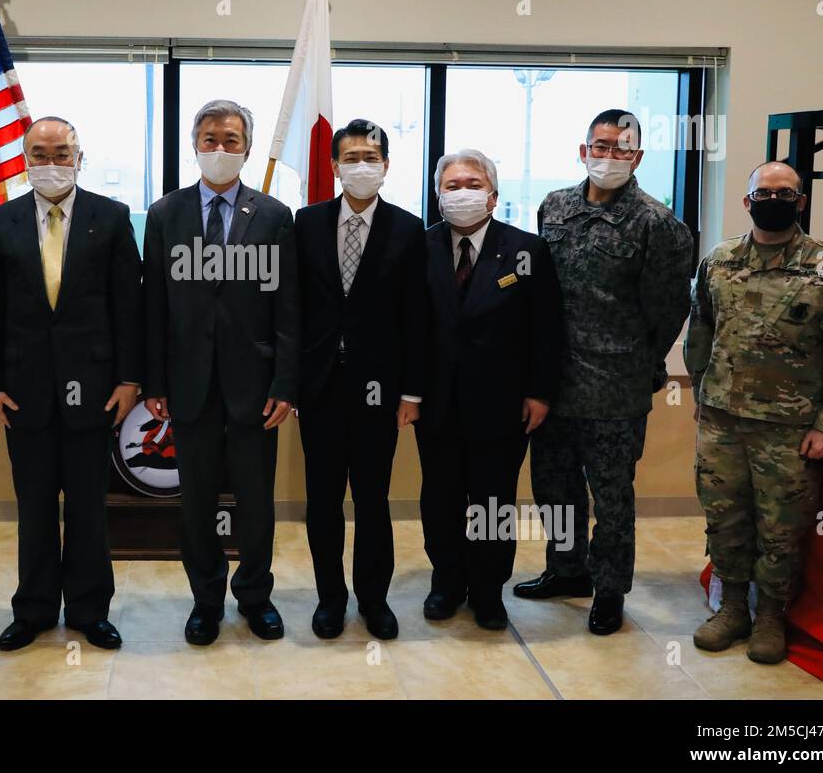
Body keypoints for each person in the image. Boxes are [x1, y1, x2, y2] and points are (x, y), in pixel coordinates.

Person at [686, 161, 823, 663]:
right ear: (747, 202)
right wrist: (703, 400)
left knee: (782, 526)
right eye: (764, 192)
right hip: (723, 421)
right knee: (724, 518)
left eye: (785, 192)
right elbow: (700, 333)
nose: (775, 199)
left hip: (790, 430)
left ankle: (771, 614)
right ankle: (731, 609)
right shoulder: (718, 261)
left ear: (801, 202)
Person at [517, 109, 693, 635]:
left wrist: (638, 363)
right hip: (553, 382)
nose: (609, 156)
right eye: (601, 145)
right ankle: (566, 569)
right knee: (554, 486)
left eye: (621, 148)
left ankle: (610, 589)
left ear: (637, 156)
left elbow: (668, 311)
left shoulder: (658, 224)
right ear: (583, 149)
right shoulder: (555, 207)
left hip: (615, 387)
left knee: (612, 496)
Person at [0, 117, 142, 652]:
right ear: (24, 159)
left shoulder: (111, 218)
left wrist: (130, 379)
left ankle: (91, 611)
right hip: (23, 393)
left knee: (90, 508)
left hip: (93, 389)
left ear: (79, 158)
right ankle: (36, 610)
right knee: (36, 507)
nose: (51, 163)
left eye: (61, 153)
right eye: (40, 153)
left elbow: (128, 307)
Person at [143, 99, 299, 644]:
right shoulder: (165, 214)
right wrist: (155, 383)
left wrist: (285, 384)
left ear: (247, 148)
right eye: (209, 138)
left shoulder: (276, 216)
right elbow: (155, 306)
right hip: (187, 384)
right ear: (194, 145)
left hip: (254, 386)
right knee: (198, 501)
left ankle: (256, 596)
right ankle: (206, 599)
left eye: (231, 140)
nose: (219, 149)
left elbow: (288, 308)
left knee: (256, 501)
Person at [416, 149, 563, 630]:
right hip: (436, 405)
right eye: (452, 185)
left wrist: (540, 393)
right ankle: (447, 581)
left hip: (501, 405)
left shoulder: (526, 251)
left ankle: (487, 589)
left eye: (472, 184)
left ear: (493, 196)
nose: (463, 193)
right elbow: (408, 330)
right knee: (440, 499)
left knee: (493, 501)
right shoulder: (420, 248)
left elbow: (546, 330)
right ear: (438, 196)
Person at [294, 118, 425, 640]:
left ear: (387, 166)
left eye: (371, 157)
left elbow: (416, 317)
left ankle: (374, 599)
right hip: (320, 387)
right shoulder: (305, 223)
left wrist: (411, 392)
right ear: (334, 166)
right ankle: (330, 599)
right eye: (351, 158)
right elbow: (293, 308)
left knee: (372, 499)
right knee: (323, 500)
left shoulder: (408, 229)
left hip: (380, 391)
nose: (361, 166)